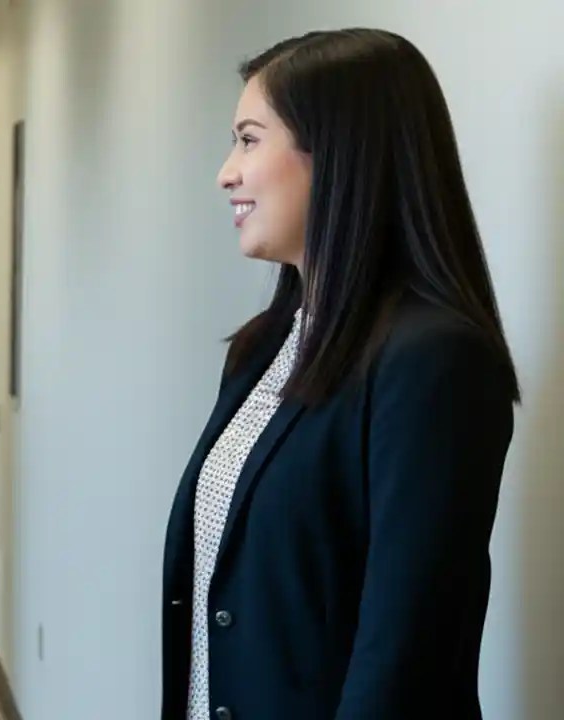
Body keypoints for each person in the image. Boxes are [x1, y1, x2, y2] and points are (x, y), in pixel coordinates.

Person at [161, 28, 519, 720]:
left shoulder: (434, 360)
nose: (226, 173)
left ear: (338, 153)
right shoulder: (263, 348)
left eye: (249, 140)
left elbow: (405, 649)